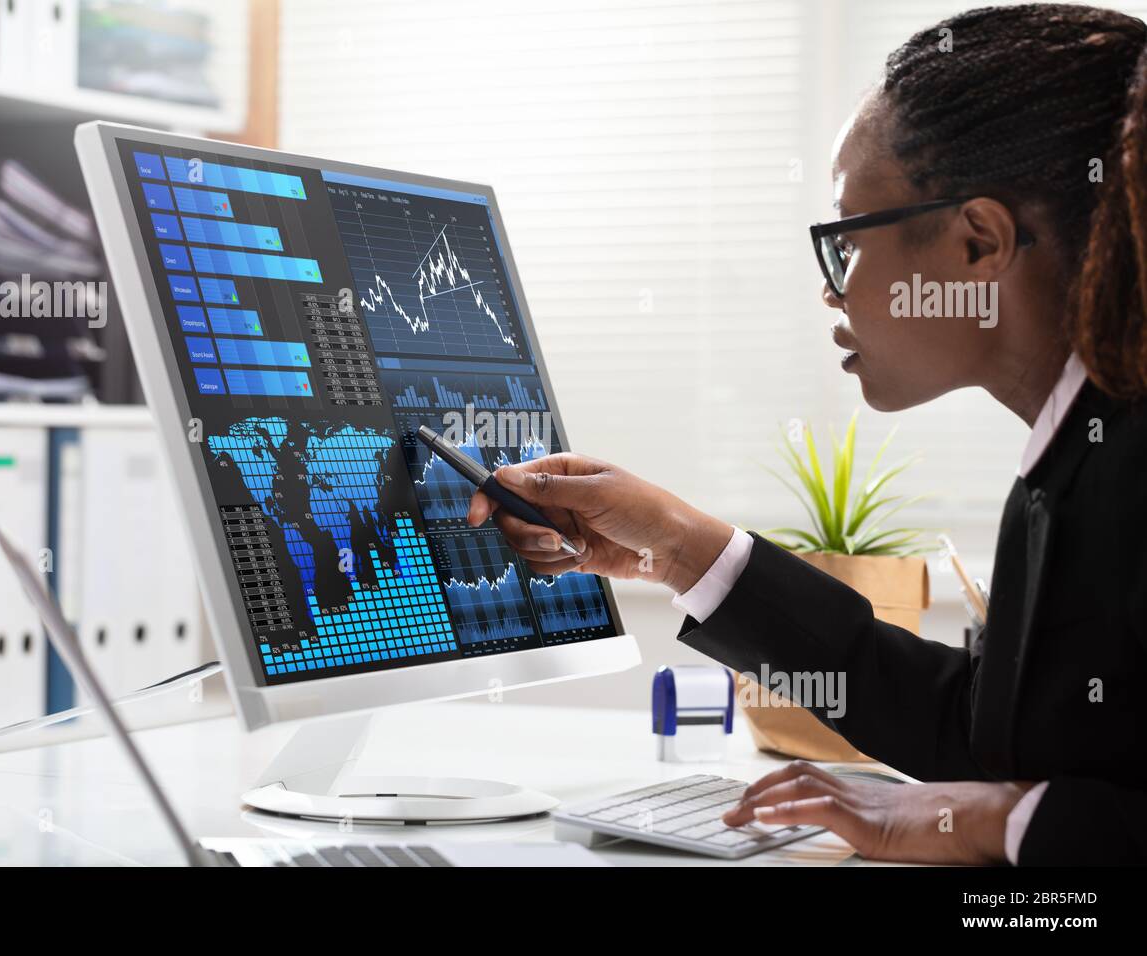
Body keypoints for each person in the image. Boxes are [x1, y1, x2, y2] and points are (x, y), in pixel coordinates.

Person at [469, 3, 1147, 865]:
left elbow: (1016, 784)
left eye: (845, 244)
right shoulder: (1072, 462)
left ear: (978, 245)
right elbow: (995, 736)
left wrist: (994, 823)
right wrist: (681, 550)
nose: (832, 293)